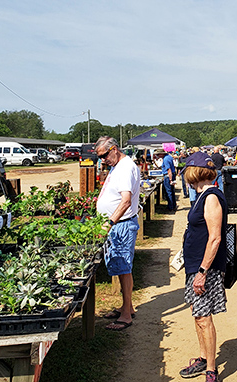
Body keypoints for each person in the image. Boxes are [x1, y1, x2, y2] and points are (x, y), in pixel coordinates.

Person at [180, 151, 228, 382]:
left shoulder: (211, 198)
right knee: (197, 314)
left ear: (194, 173)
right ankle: (202, 358)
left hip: (203, 269)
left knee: (204, 317)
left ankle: (211, 370)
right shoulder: (203, 195)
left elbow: (215, 238)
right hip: (194, 266)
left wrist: (202, 272)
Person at [95, 136, 141, 331]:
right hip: (118, 224)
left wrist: (109, 222)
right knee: (122, 268)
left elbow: (125, 201)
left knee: (124, 267)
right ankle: (126, 307)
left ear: (114, 149)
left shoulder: (124, 167)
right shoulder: (119, 166)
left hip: (121, 224)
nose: (102, 160)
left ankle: (126, 316)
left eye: (104, 155)